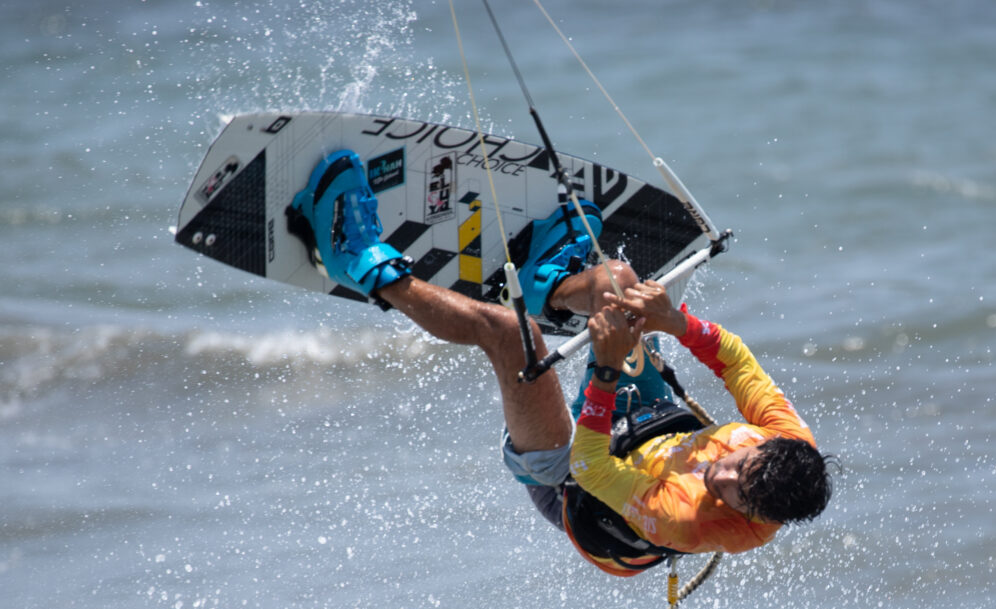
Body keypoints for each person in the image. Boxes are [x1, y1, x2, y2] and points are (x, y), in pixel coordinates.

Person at [292, 149, 836, 578]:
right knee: (619, 283)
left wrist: (603, 369)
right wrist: (675, 324)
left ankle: (357, 262)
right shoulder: (789, 441)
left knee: (512, 333)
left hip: (573, 487)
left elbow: (592, 467)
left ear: (751, 514)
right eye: (742, 463)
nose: (723, 472)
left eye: (735, 490)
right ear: (770, 445)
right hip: (651, 421)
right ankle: (547, 281)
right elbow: (736, 361)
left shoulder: (687, 520)